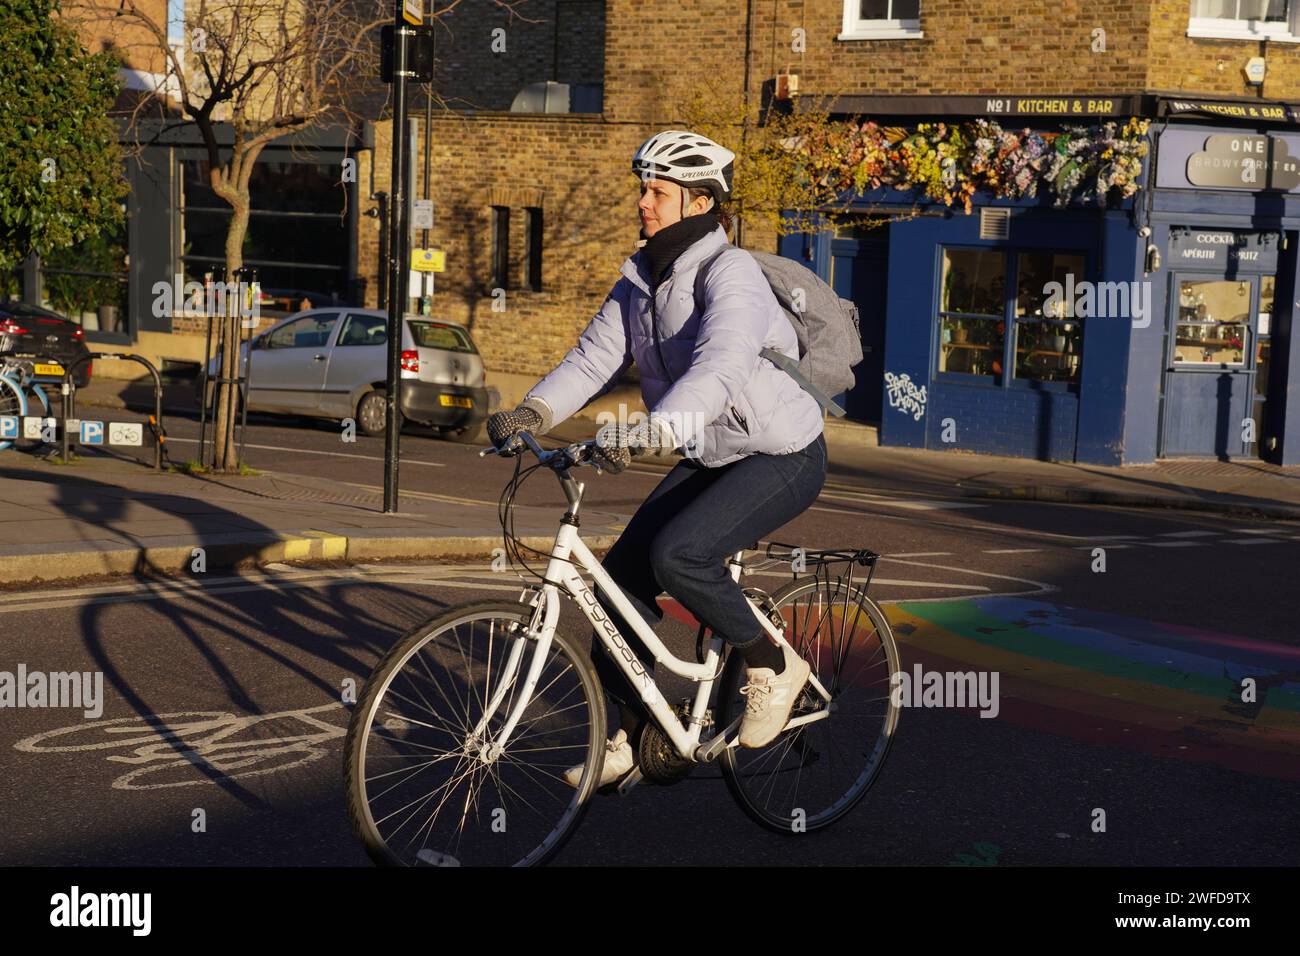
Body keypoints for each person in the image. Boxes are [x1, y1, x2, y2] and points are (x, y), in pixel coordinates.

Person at [486, 129, 827, 788]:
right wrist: (533, 412)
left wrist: (651, 431)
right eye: (643, 188)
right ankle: (629, 731)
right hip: (712, 449)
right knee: (619, 585)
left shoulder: (733, 276)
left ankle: (774, 666)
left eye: (658, 192)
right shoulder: (640, 278)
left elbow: (719, 368)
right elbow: (593, 358)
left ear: (699, 203)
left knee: (681, 554)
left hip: (782, 450)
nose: (642, 201)